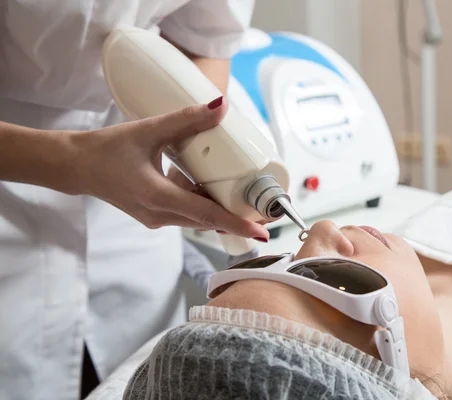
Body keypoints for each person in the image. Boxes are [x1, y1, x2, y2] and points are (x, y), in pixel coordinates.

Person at [123, 152, 452, 399]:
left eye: (272, 264)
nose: (324, 231)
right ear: (395, 382)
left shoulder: (407, 261)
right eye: (331, 279)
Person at [0, 1, 265, 399]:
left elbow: (204, 40)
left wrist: (194, 149)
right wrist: (76, 163)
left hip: (132, 199)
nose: (332, 231)